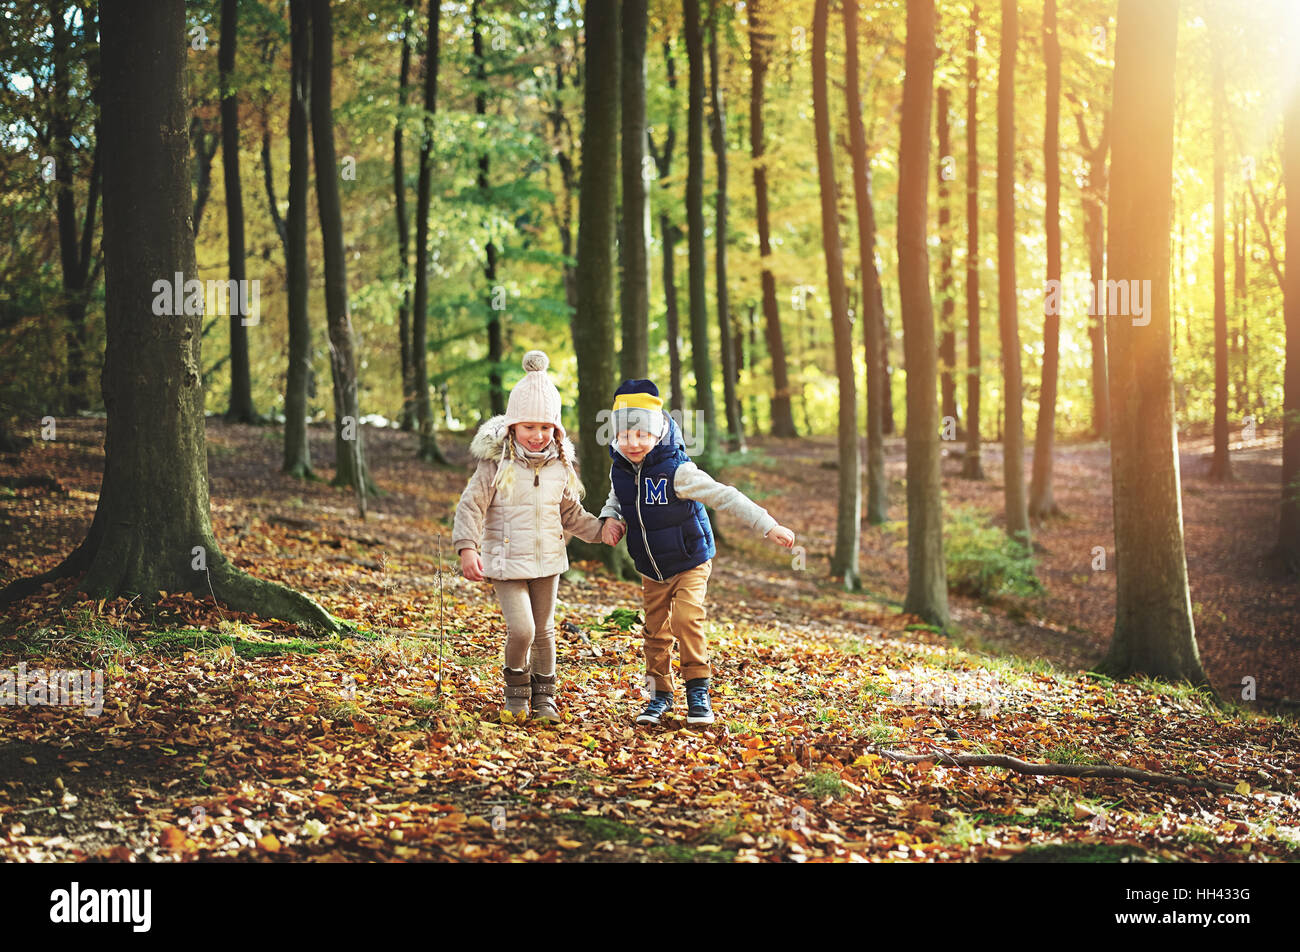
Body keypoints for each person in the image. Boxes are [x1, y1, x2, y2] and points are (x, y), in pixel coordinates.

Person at [599, 380, 795, 725]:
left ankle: (697, 692)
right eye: (625, 435)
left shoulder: (678, 471)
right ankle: (659, 696)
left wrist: (769, 525)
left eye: (641, 435)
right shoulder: (620, 468)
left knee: (685, 619)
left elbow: (726, 496)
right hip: (650, 566)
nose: (633, 443)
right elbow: (616, 498)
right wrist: (610, 518)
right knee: (655, 631)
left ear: (657, 433)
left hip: (690, 559)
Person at [452, 351, 605, 722]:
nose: (537, 436)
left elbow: (570, 513)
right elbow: (470, 506)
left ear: (556, 430)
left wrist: (602, 530)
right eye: (528, 427)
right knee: (522, 629)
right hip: (505, 563)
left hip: (548, 564)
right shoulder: (495, 464)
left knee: (545, 633)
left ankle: (544, 700)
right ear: (512, 427)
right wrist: (467, 548)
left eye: (545, 428)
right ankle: (516, 691)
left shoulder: (559, 467)